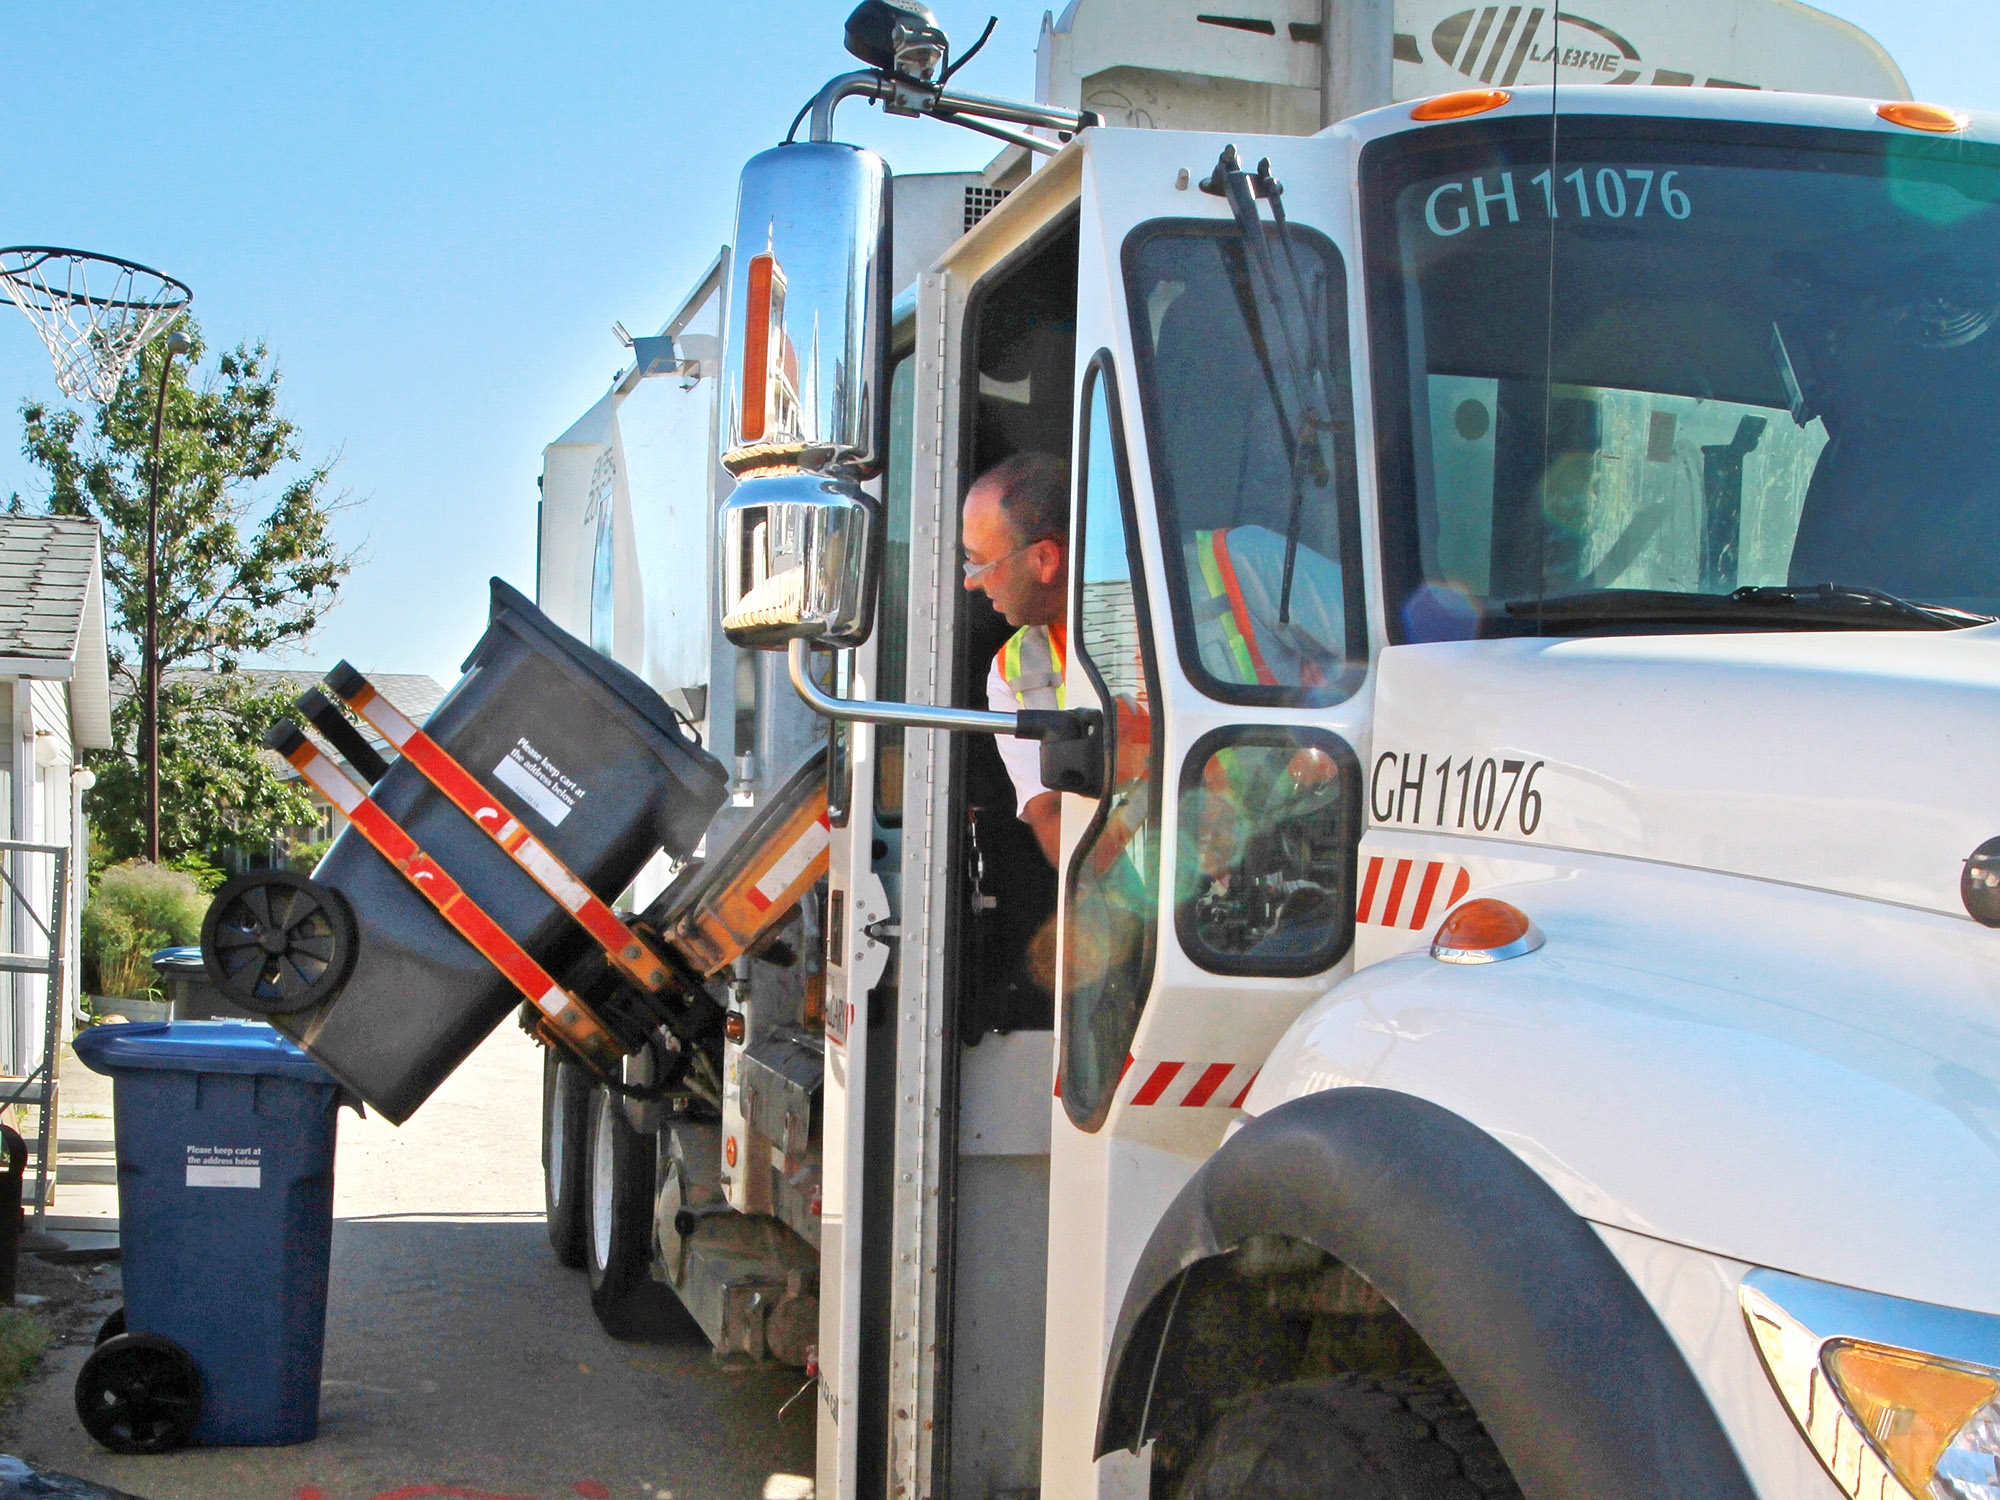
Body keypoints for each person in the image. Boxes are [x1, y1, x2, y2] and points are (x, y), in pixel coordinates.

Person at [961, 452, 1070, 867]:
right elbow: (1062, 845)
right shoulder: (1012, 673)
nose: (971, 581)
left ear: (1044, 559)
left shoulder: (1239, 563)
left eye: (981, 562)